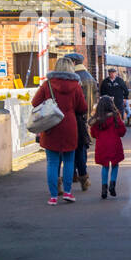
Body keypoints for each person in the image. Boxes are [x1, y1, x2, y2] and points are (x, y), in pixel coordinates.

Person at [31, 56, 87, 204]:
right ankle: (68, 193)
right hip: (69, 125)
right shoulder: (76, 85)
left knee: (52, 162)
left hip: (51, 125)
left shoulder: (47, 84)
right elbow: (83, 108)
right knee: (69, 160)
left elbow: (35, 102)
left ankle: (54, 196)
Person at [64, 52, 98, 192]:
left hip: (75, 117)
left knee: (72, 149)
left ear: (72, 62)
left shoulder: (74, 79)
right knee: (82, 148)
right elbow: (95, 99)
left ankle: (73, 175)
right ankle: (83, 176)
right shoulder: (90, 77)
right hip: (87, 117)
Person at [88, 96, 127, 200]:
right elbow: (122, 131)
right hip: (114, 144)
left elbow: (93, 134)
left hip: (102, 145)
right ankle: (112, 185)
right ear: (111, 105)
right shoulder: (115, 116)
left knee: (105, 166)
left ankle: (104, 189)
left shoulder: (97, 119)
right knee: (115, 164)